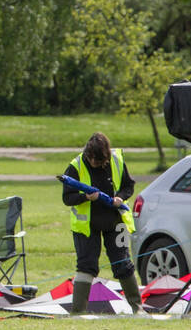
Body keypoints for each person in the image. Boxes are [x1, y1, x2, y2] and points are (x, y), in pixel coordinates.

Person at [61, 132, 144, 313]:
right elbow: (67, 198)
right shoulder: (75, 166)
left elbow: (128, 186)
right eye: (94, 162)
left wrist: (120, 198)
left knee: (123, 263)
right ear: (88, 155)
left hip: (115, 221)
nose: (96, 165)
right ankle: (78, 312)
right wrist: (85, 197)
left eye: (100, 162)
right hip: (87, 226)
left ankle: (138, 308)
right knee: (86, 265)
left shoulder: (116, 160)